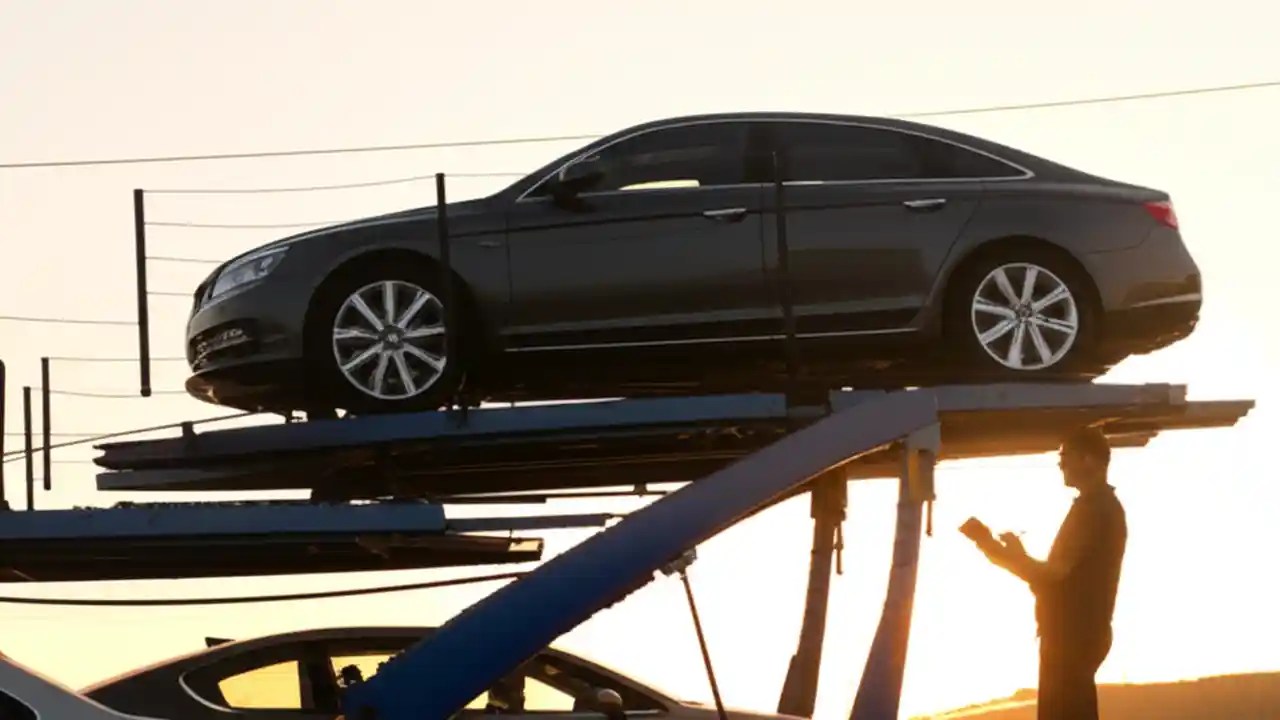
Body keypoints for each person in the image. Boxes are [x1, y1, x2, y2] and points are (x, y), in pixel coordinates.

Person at [960, 426, 1127, 720]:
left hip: (1071, 637)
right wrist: (1009, 555)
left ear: (1088, 459)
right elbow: (1055, 574)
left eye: (1065, 457)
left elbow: (1053, 575)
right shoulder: (1100, 508)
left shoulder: (1095, 510)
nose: (1060, 464)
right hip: (1078, 635)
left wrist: (992, 548)